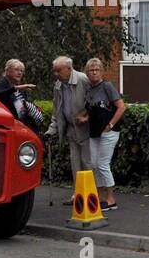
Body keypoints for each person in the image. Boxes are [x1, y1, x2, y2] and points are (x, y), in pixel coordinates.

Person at [83, 58, 126, 210]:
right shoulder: (88, 89)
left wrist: (111, 124)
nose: (94, 72)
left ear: (101, 71)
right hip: (94, 132)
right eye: (90, 70)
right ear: (87, 73)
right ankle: (100, 197)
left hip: (109, 131)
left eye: (97, 70)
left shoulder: (107, 86)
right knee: (94, 164)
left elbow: (121, 107)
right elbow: (93, 110)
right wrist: (85, 118)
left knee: (103, 164)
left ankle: (111, 198)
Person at [49, 56, 90, 202]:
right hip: (71, 129)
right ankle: (78, 194)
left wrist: (87, 116)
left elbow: (96, 101)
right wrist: (53, 128)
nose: (56, 74)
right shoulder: (58, 85)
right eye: (55, 71)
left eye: (58, 70)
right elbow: (56, 109)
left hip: (85, 128)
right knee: (75, 163)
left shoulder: (83, 79)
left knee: (87, 162)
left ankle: (90, 194)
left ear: (69, 69)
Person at [0, 59, 44, 133]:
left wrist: (30, 108)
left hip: (23, 125)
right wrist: (16, 88)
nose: (19, 73)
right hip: (8, 127)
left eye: (21, 71)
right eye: (16, 70)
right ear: (7, 70)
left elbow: (24, 105)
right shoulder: (3, 83)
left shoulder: (20, 87)